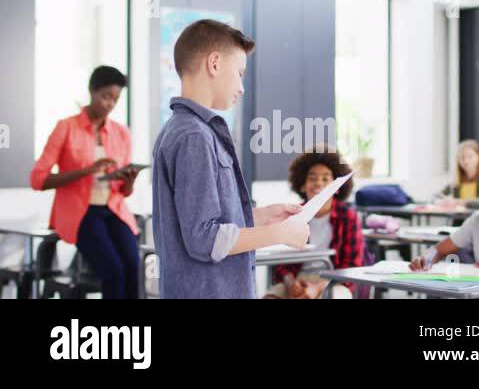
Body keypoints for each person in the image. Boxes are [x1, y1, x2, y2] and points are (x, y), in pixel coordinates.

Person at [152, 19, 310, 299]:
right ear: (214, 64)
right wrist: (282, 234)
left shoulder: (189, 131)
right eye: (239, 73)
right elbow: (204, 239)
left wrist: (260, 217)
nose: (242, 87)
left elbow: (206, 219)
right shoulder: (194, 137)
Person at [31, 66, 141, 299]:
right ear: (92, 91)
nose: (110, 104)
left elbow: (123, 192)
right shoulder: (66, 127)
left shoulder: (122, 133)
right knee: (113, 271)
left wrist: (128, 181)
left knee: (133, 266)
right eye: (105, 96)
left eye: (116, 99)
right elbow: (38, 179)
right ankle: (113, 335)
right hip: (81, 213)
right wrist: (88, 170)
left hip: (114, 210)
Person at [265, 145, 365, 299]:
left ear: (336, 187)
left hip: (333, 282)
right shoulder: (292, 215)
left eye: (326, 178)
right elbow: (280, 264)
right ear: (303, 185)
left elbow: (351, 267)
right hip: (296, 280)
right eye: (312, 178)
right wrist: (291, 283)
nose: (319, 183)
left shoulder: (348, 218)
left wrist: (317, 288)